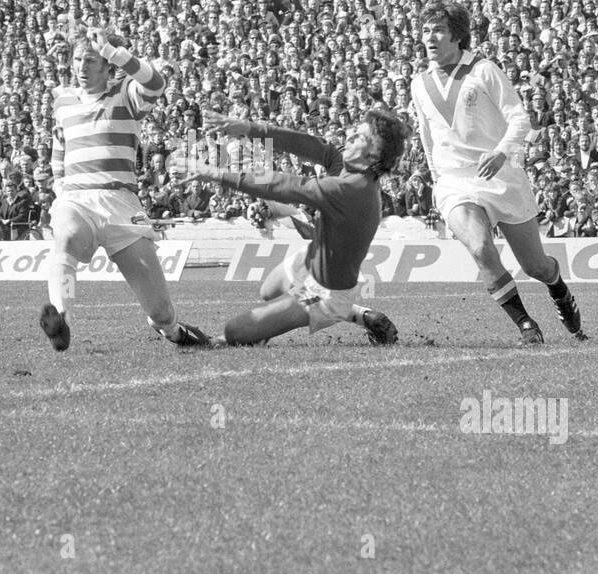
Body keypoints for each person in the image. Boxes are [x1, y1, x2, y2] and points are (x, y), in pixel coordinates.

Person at [408, 1, 586, 345]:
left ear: (457, 36)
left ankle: (558, 288)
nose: (430, 37)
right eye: (426, 30)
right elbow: (428, 137)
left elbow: (519, 118)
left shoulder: (484, 70)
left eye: (439, 30)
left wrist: (502, 152)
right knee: (478, 245)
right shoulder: (419, 83)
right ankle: (525, 325)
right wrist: (435, 179)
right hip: (454, 181)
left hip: (500, 176)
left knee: (536, 266)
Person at [39, 29, 209, 351]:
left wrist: (118, 52)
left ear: (108, 66)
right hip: (77, 197)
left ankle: (173, 331)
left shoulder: (126, 94)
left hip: (121, 203)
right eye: (77, 60)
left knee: (160, 312)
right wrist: (59, 183)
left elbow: (157, 84)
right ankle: (60, 316)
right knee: (66, 237)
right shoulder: (62, 100)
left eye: (90, 60)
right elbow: (59, 145)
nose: (81, 67)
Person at [184, 106, 406, 346]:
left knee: (233, 332)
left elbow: (286, 185)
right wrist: (248, 128)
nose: (349, 135)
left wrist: (218, 173)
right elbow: (306, 144)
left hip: (325, 294)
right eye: (355, 130)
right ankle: (359, 314)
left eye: (360, 137)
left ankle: (341, 311)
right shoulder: (349, 168)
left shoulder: (352, 189)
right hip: (312, 259)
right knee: (268, 292)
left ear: (374, 155)